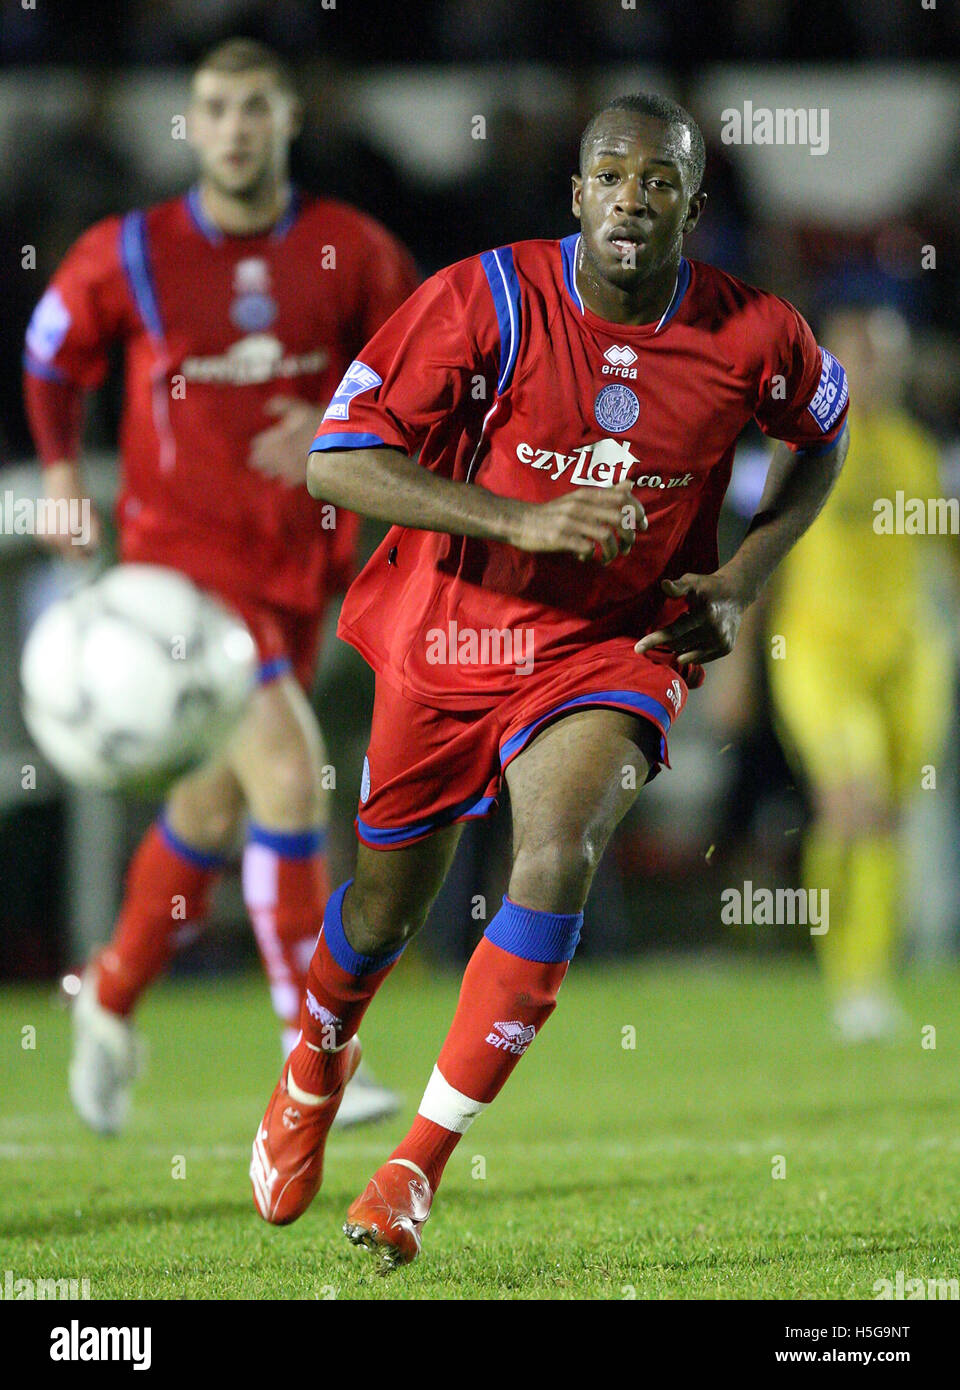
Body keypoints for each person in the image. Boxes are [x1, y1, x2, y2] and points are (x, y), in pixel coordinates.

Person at [248, 92, 850, 1267]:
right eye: (613, 177)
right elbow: (337, 460)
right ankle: (319, 1057)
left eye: (661, 180)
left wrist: (738, 578)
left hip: (614, 645)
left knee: (559, 849)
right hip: (453, 633)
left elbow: (823, 432)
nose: (635, 198)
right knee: (384, 911)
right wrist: (517, 521)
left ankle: (415, 1164)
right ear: (577, 195)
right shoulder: (486, 299)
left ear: (694, 202)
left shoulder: (754, 332)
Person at [23, 37, 419, 1132]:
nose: (235, 126)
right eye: (214, 107)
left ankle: (106, 997)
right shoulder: (135, 252)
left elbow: (425, 366)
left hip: (297, 576)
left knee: (211, 804)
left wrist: (341, 427)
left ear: (287, 120)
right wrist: (60, 468)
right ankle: (316, 1055)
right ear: (193, 125)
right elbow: (53, 347)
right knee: (294, 776)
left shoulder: (350, 248)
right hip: (177, 582)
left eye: (255, 107)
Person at [764, 303, 954, 1040]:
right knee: (854, 800)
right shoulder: (801, 445)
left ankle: (866, 975)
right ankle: (853, 978)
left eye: (884, 357)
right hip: (818, 651)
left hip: (909, 654)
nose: (873, 370)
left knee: (890, 817)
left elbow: (941, 552)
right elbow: (765, 556)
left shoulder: (916, 450)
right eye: (858, 356)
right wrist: (744, 660)